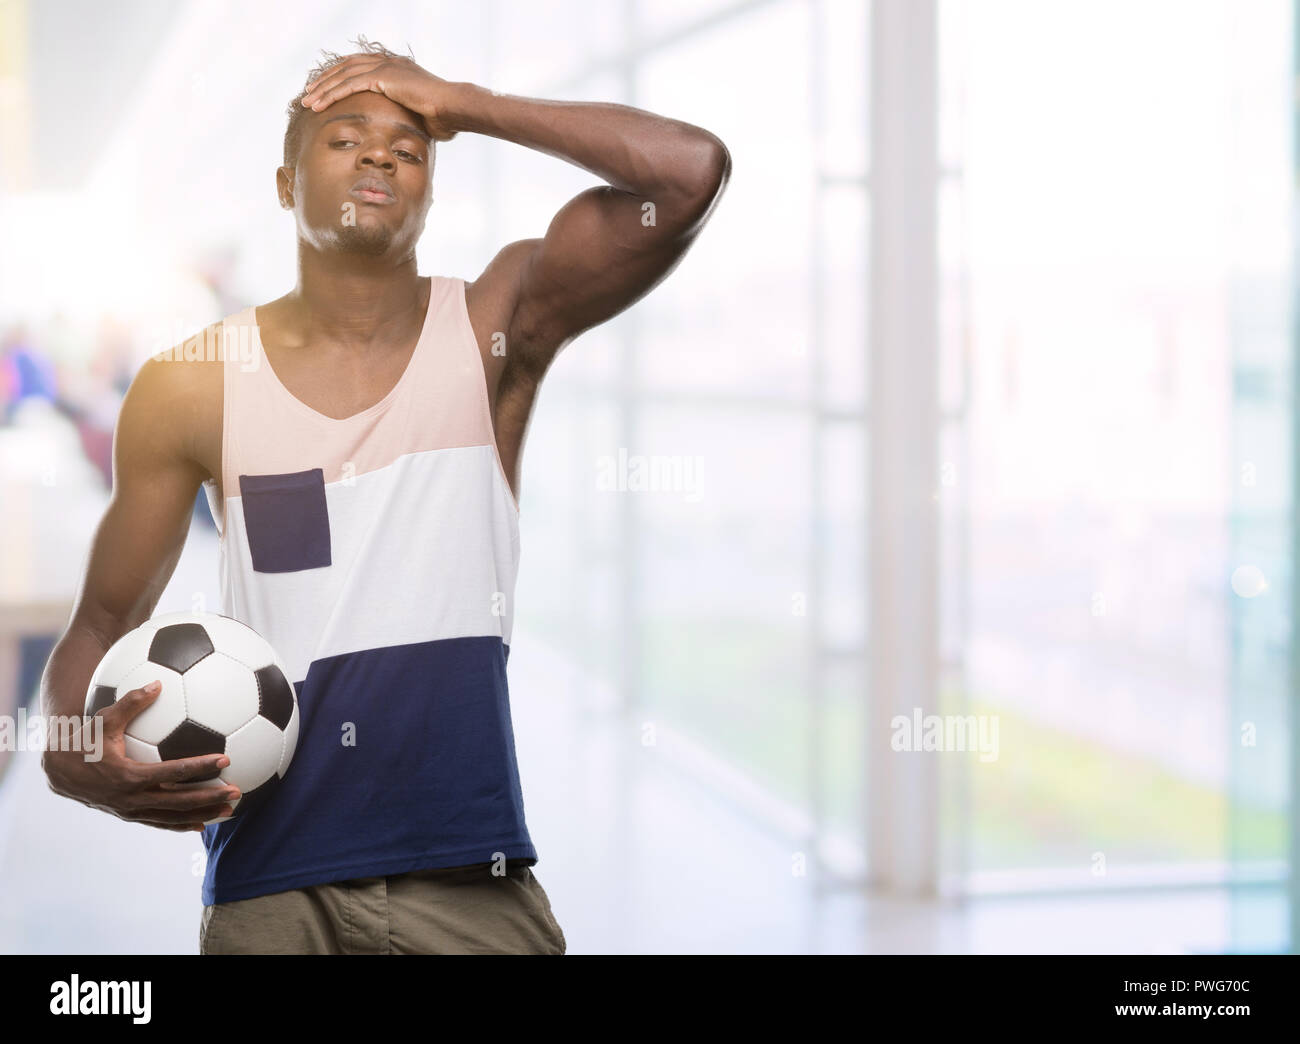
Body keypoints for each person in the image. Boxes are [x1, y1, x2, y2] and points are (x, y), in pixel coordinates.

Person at [38, 37, 730, 955]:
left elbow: (690, 173)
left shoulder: (496, 323)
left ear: (433, 188)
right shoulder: (191, 384)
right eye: (344, 137)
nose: (378, 154)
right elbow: (103, 621)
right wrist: (74, 757)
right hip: (271, 887)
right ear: (285, 185)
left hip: (472, 881)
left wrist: (463, 100)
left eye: (410, 147)